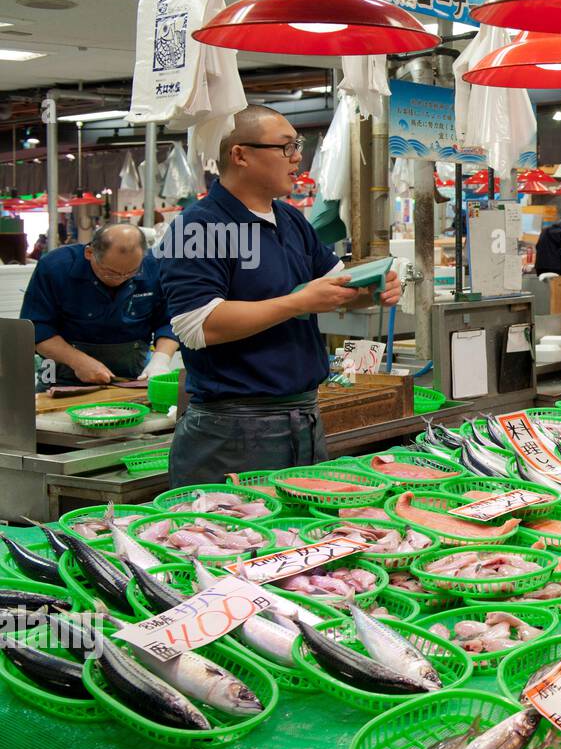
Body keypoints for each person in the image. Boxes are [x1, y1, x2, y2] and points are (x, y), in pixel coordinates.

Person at [156, 104, 402, 487]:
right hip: (232, 430)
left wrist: (372, 290)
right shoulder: (200, 227)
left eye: (297, 145)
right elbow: (198, 325)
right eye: (285, 147)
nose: (298, 157)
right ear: (240, 155)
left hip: (302, 418)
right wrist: (299, 303)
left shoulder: (289, 219)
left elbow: (337, 287)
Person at [21, 223, 179, 389]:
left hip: (132, 379)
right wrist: (77, 361)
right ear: (90, 253)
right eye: (111, 273)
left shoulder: (154, 267)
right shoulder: (55, 268)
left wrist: (161, 360)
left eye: (131, 272)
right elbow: (37, 329)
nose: (121, 278)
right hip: (60, 379)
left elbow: (169, 321)